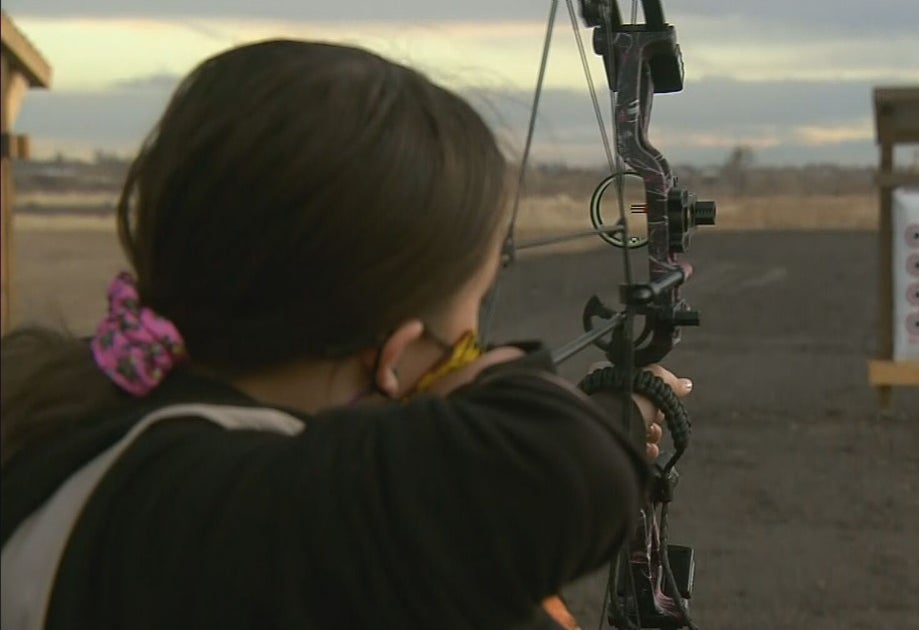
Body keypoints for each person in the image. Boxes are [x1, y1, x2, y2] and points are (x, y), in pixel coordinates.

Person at [0, 39, 692, 630]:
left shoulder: (97, 441)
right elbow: (565, 471)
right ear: (394, 358)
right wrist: (512, 381)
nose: (477, 341)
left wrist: (624, 408)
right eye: (474, 310)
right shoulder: (201, 511)